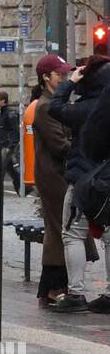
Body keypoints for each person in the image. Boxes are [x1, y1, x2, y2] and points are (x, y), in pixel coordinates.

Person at [47, 52, 110, 311]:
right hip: (107, 179)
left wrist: (69, 82)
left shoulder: (84, 108)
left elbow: (55, 108)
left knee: (72, 233)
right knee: (109, 236)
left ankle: (76, 294)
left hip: (83, 181)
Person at [31, 54, 71, 306]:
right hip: (53, 175)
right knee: (59, 229)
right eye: (59, 74)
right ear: (46, 77)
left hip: (57, 172)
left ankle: (52, 286)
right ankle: (55, 287)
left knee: (62, 229)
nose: (63, 78)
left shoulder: (54, 102)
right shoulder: (44, 105)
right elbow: (59, 144)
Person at [0, 90, 20, 190]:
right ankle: (22, 186)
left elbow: (16, 131)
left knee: (0, 169)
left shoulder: (10, 114)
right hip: (3, 145)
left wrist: (11, 146)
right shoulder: (0, 113)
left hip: (6, 146)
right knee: (10, 168)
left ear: (3, 100)